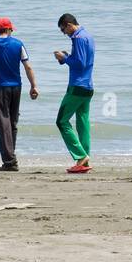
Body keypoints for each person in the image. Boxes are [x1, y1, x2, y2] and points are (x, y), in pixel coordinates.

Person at [0, 17, 38, 171]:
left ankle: (10, 162)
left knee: (2, 123)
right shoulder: (18, 44)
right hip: (16, 87)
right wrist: (34, 86)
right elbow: (28, 67)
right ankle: (10, 158)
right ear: (9, 29)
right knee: (12, 122)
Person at [52, 13, 95, 173]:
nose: (65, 33)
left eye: (64, 30)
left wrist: (64, 58)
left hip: (77, 87)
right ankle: (84, 161)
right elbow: (82, 60)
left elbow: (80, 64)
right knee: (83, 124)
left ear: (69, 24)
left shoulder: (78, 38)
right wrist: (68, 56)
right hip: (88, 87)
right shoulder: (88, 36)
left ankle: (80, 155)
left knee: (61, 121)